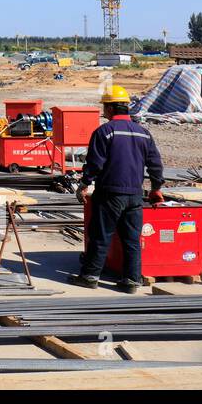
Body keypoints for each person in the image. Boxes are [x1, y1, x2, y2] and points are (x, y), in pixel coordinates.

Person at [71, 84, 165, 294]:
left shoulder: (104, 132)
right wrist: (156, 188)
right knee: (132, 240)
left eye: (105, 107)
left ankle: (90, 277)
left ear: (111, 109)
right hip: (135, 196)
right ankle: (131, 281)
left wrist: (84, 184)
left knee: (101, 236)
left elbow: (95, 164)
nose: (104, 111)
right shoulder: (143, 133)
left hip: (110, 194)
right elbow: (156, 165)